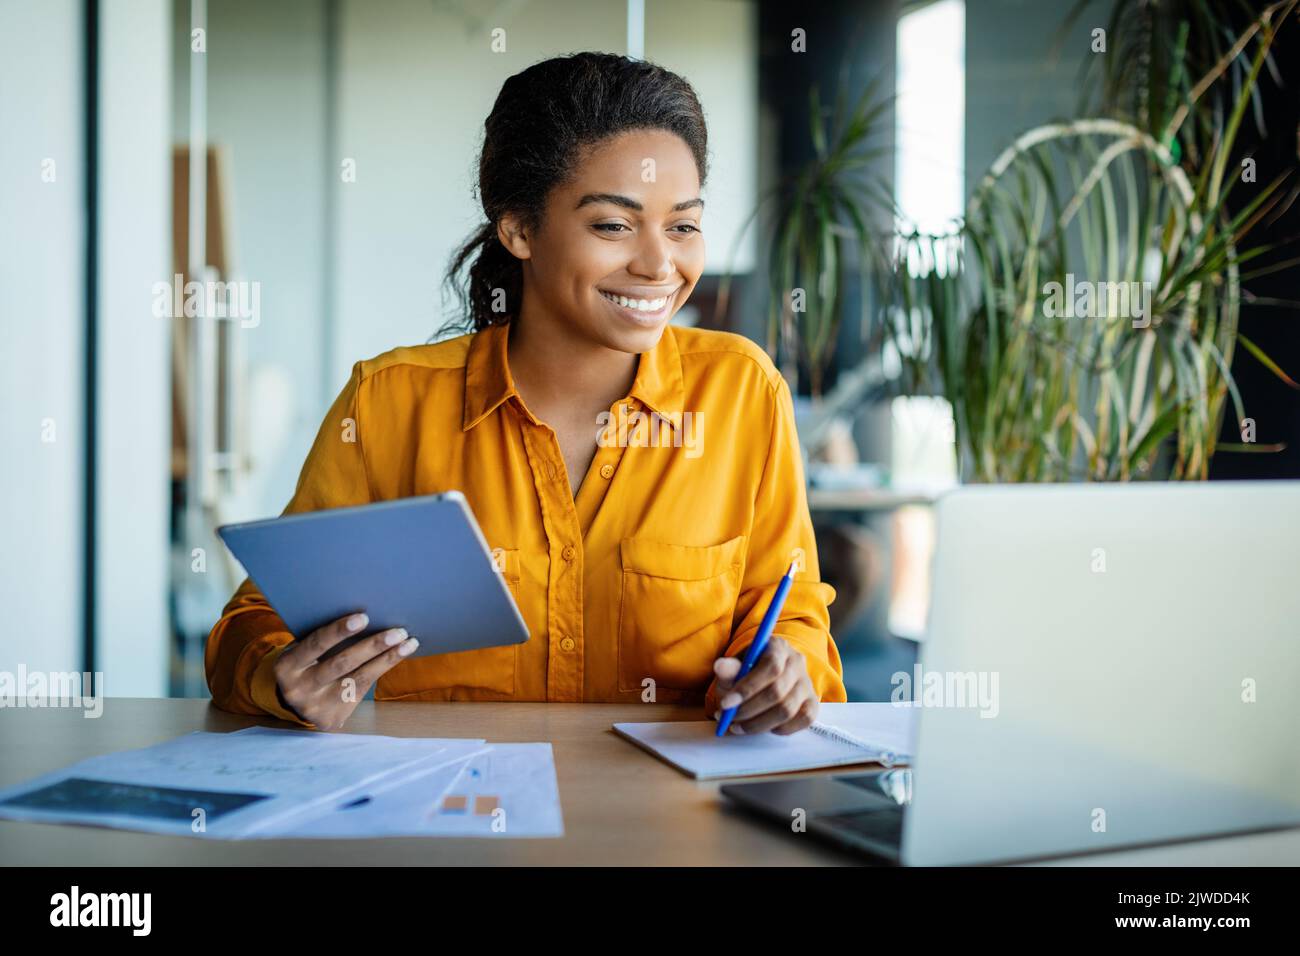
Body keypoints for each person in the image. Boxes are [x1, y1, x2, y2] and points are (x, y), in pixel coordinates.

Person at [206, 52, 846, 733]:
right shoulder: (388, 404)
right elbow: (255, 622)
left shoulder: (741, 393)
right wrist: (279, 676)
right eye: (613, 225)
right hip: (454, 820)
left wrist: (787, 668)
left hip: (675, 822)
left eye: (682, 225)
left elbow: (793, 607)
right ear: (518, 229)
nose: (660, 264)